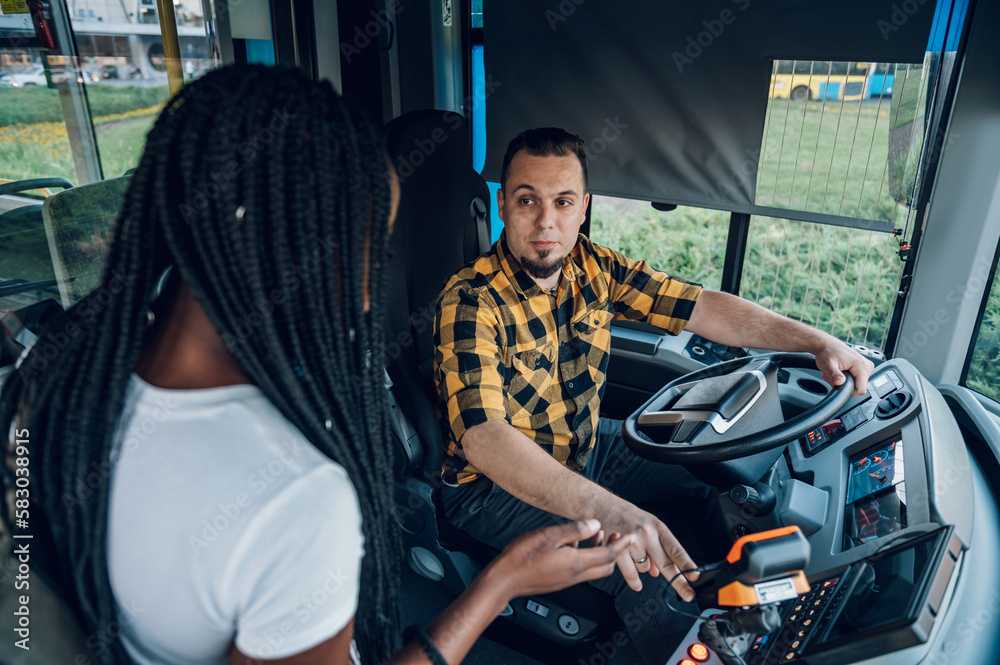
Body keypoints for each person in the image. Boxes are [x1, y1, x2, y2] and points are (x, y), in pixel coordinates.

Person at [0, 68, 635, 665]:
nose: (367, 294)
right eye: (370, 254)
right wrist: (502, 582)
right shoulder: (296, 498)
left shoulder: (59, 368)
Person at [433, 127, 875, 662]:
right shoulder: (470, 302)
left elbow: (702, 308)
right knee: (643, 569)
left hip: (588, 450)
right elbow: (485, 439)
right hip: (490, 490)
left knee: (721, 473)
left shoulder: (594, 267)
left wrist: (816, 341)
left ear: (583, 208)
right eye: (527, 200)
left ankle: (746, 602)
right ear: (503, 205)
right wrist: (613, 512)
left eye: (563, 202)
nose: (546, 221)